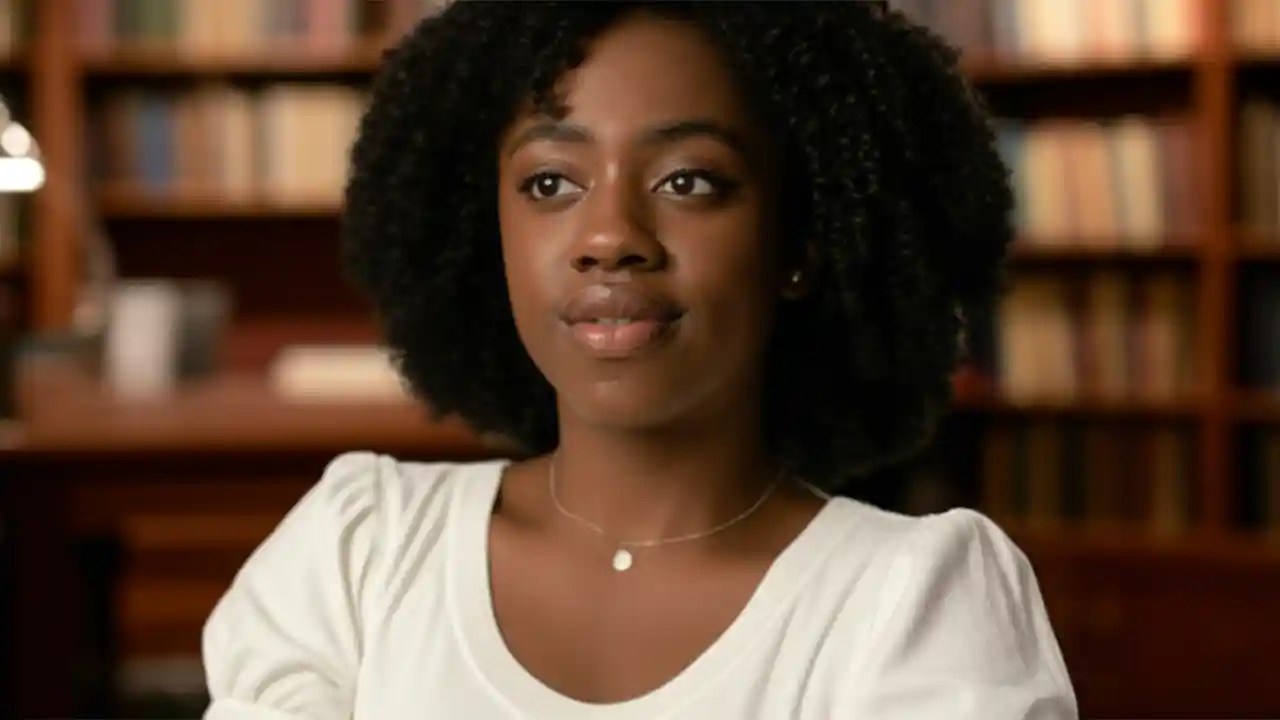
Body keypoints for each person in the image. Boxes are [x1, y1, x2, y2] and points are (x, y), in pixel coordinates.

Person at [202, 3, 1077, 718]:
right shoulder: (360, 557)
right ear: (484, 232)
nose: (610, 238)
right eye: (551, 183)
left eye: (689, 180)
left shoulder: (914, 608)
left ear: (803, 242)